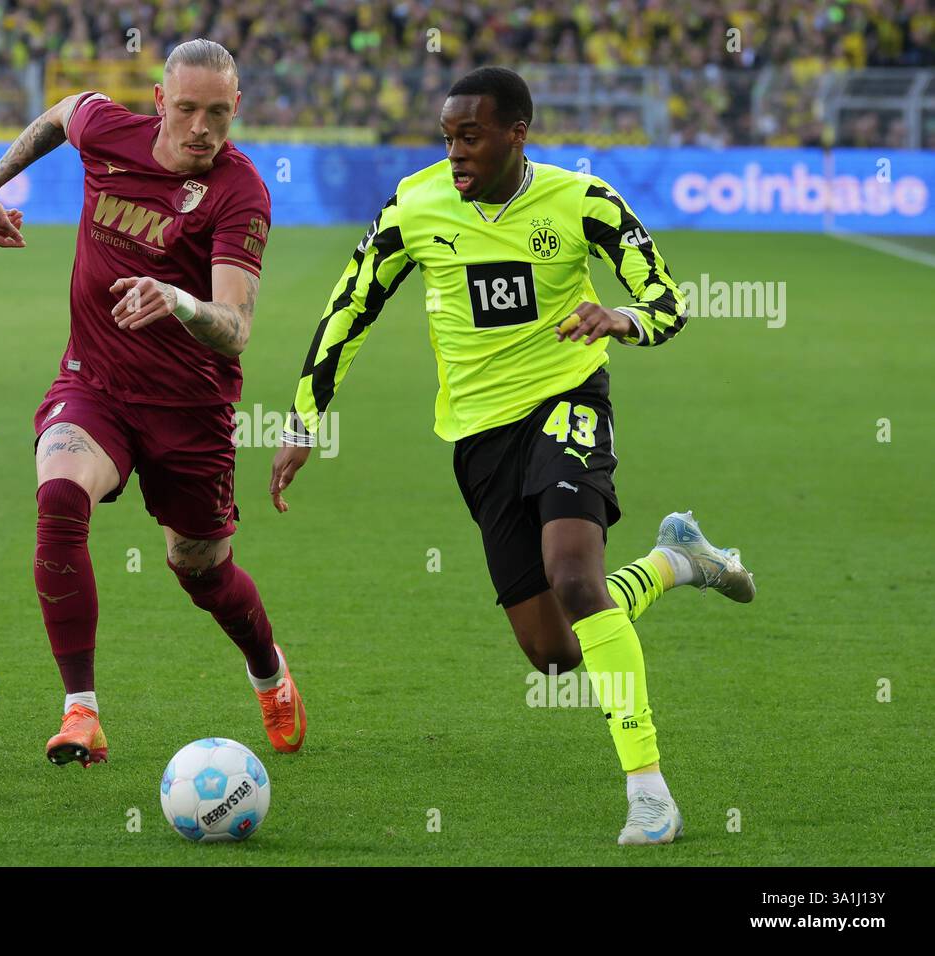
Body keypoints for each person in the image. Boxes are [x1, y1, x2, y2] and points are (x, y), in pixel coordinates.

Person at [270, 66, 754, 845]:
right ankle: (673, 563)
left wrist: (620, 319)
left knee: (573, 574)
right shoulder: (415, 205)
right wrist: (303, 419)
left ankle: (649, 792)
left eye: (472, 136)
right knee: (554, 654)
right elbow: (352, 303)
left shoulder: (582, 202)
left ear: (517, 133)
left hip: (568, 404)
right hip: (479, 437)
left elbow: (669, 298)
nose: (456, 153)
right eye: (448, 138)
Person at [0, 39, 305, 768]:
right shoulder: (109, 132)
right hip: (94, 384)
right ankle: (81, 714)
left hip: (190, 411)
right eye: (186, 109)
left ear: (236, 109)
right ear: (158, 102)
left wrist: (178, 300)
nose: (201, 129)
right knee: (59, 495)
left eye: (218, 113)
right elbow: (62, 114)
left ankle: (268, 671)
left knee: (203, 572)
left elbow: (237, 327)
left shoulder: (239, 193)